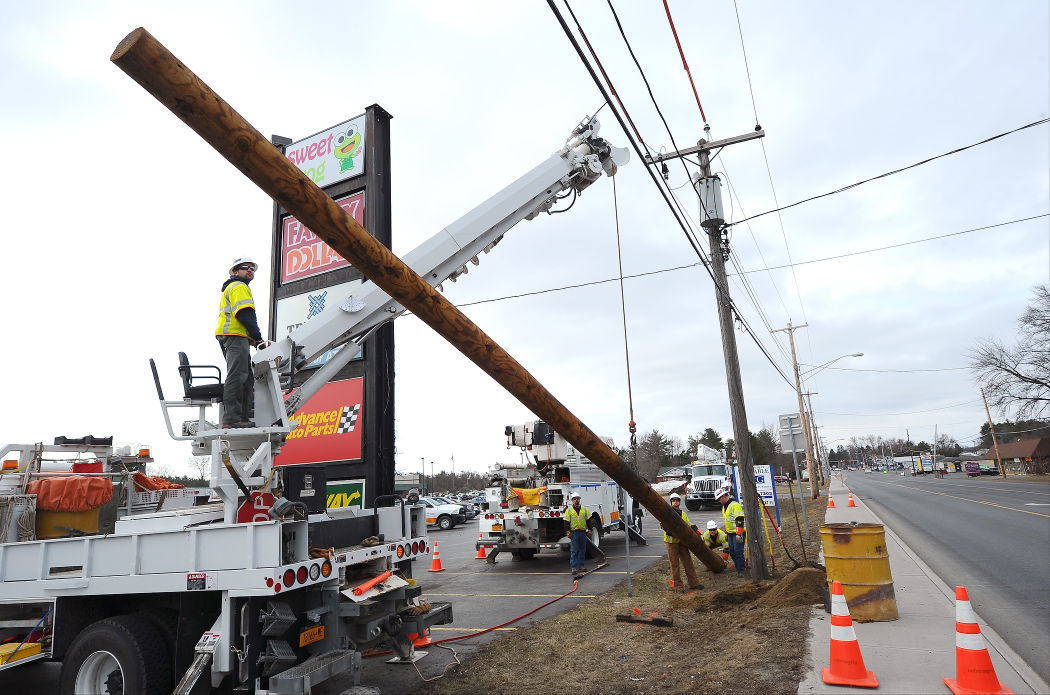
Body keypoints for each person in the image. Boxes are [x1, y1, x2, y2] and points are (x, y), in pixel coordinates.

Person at [215, 257, 266, 428]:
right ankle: (232, 419)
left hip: (235, 337)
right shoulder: (239, 286)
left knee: (246, 379)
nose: (250, 270)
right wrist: (258, 339)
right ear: (236, 272)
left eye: (252, 268)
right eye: (245, 267)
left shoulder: (235, 287)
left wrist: (254, 340)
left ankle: (242, 418)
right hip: (234, 336)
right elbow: (245, 315)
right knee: (237, 376)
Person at [661, 493, 702, 592]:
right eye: (673, 500)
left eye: (677, 500)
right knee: (675, 565)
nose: (676, 502)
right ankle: (678, 586)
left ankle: (694, 583)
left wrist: (695, 529)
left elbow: (688, 524)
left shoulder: (683, 513)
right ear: (671, 502)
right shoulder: (668, 513)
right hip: (671, 543)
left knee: (688, 562)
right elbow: (663, 525)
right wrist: (671, 531)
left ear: (680, 501)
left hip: (682, 541)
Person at [716, 487, 746, 576]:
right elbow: (727, 521)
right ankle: (738, 566)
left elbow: (740, 519)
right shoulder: (724, 507)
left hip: (738, 533)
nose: (719, 501)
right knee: (732, 552)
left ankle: (741, 570)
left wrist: (739, 534)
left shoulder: (734, 505)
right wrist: (726, 532)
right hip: (730, 533)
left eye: (719, 499)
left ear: (723, 496)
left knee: (738, 551)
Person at [564, 492, 589, 576]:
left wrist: (590, 530)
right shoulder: (569, 510)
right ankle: (574, 567)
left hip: (582, 532)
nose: (576, 500)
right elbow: (566, 522)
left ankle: (581, 566)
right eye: (574, 499)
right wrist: (568, 531)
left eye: (577, 498)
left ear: (579, 499)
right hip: (574, 533)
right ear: (572, 500)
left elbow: (588, 520)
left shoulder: (584, 509)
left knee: (582, 549)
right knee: (574, 550)